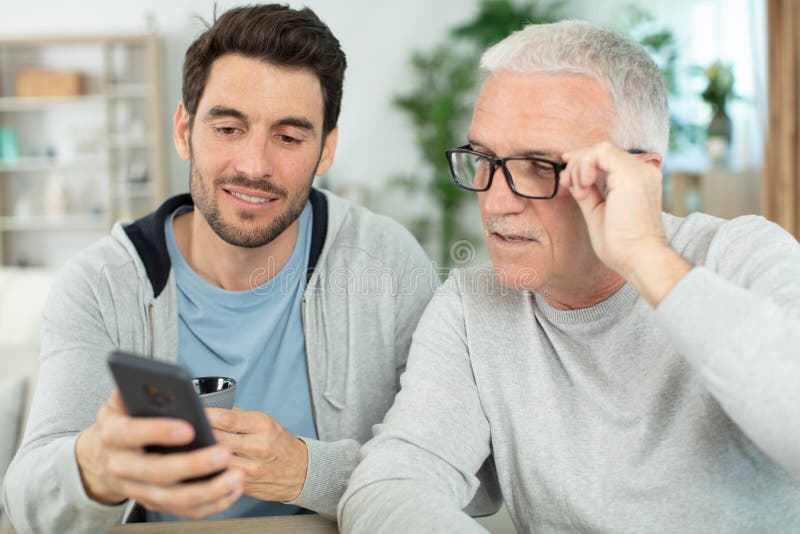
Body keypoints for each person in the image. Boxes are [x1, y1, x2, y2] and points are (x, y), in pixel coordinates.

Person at [339, 20, 800, 533]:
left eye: (540, 166)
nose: (494, 201)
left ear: (637, 177)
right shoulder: (473, 304)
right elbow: (393, 481)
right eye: (484, 159)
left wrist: (644, 254)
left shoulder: (744, 256)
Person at [2, 4, 447, 531]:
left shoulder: (387, 263)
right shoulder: (99, 285)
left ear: (325, 149)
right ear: (184, 129)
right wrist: (95, 467)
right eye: (229, 128)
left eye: (289, 136)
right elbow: (27, 504)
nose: (255, 165)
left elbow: (463, 474)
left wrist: (307, 470)